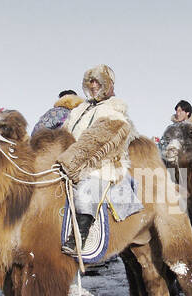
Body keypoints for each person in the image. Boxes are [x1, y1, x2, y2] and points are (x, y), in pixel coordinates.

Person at [55, 65, 135, 254]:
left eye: (97, 82)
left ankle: (79, 236)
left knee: (88, 188)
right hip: (73, 159)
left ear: (107, 85)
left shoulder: (113, 109)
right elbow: (64, 134)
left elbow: (100, 139)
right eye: (90, 81)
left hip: (103, 162)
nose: (93, 85)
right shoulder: (79, 109)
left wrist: (73, 161)